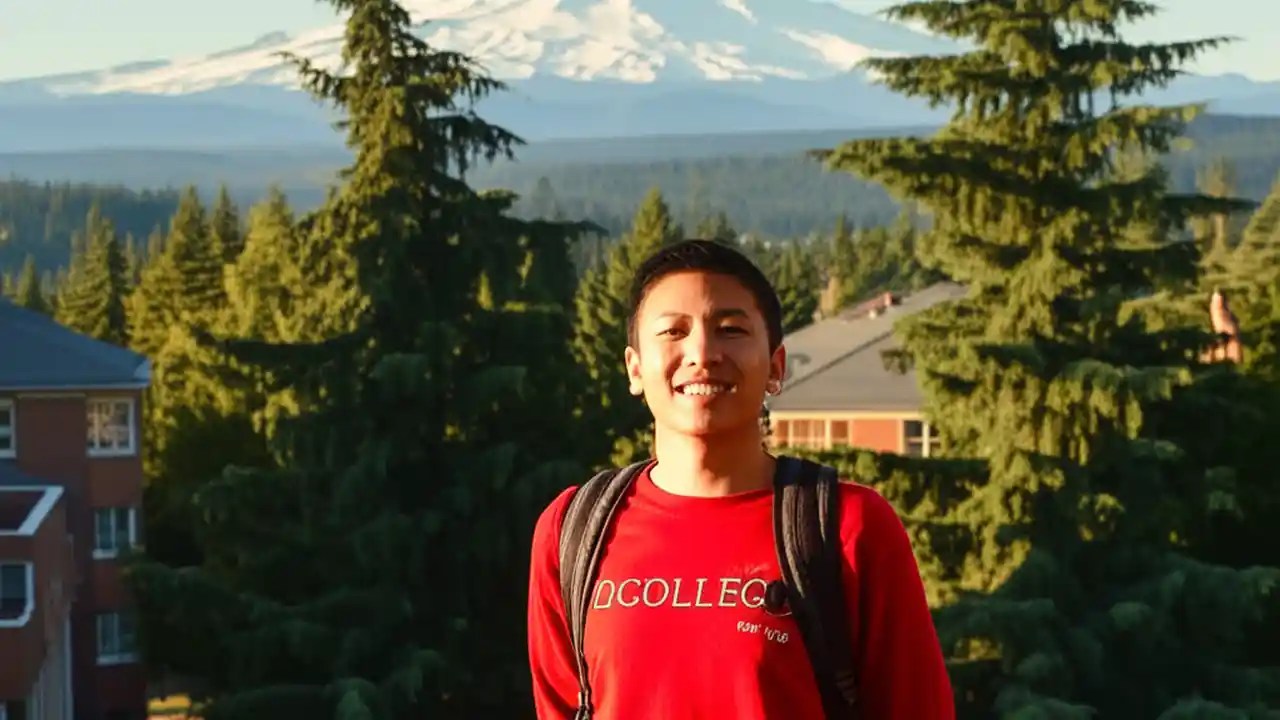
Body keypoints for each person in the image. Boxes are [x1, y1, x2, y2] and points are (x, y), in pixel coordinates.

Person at [526, 239, 955, 719]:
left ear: (776, 366)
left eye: (730, 329)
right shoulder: (572, 531)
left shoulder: (848, 528)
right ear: (634, 368)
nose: (702, 353)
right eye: (673, 332)